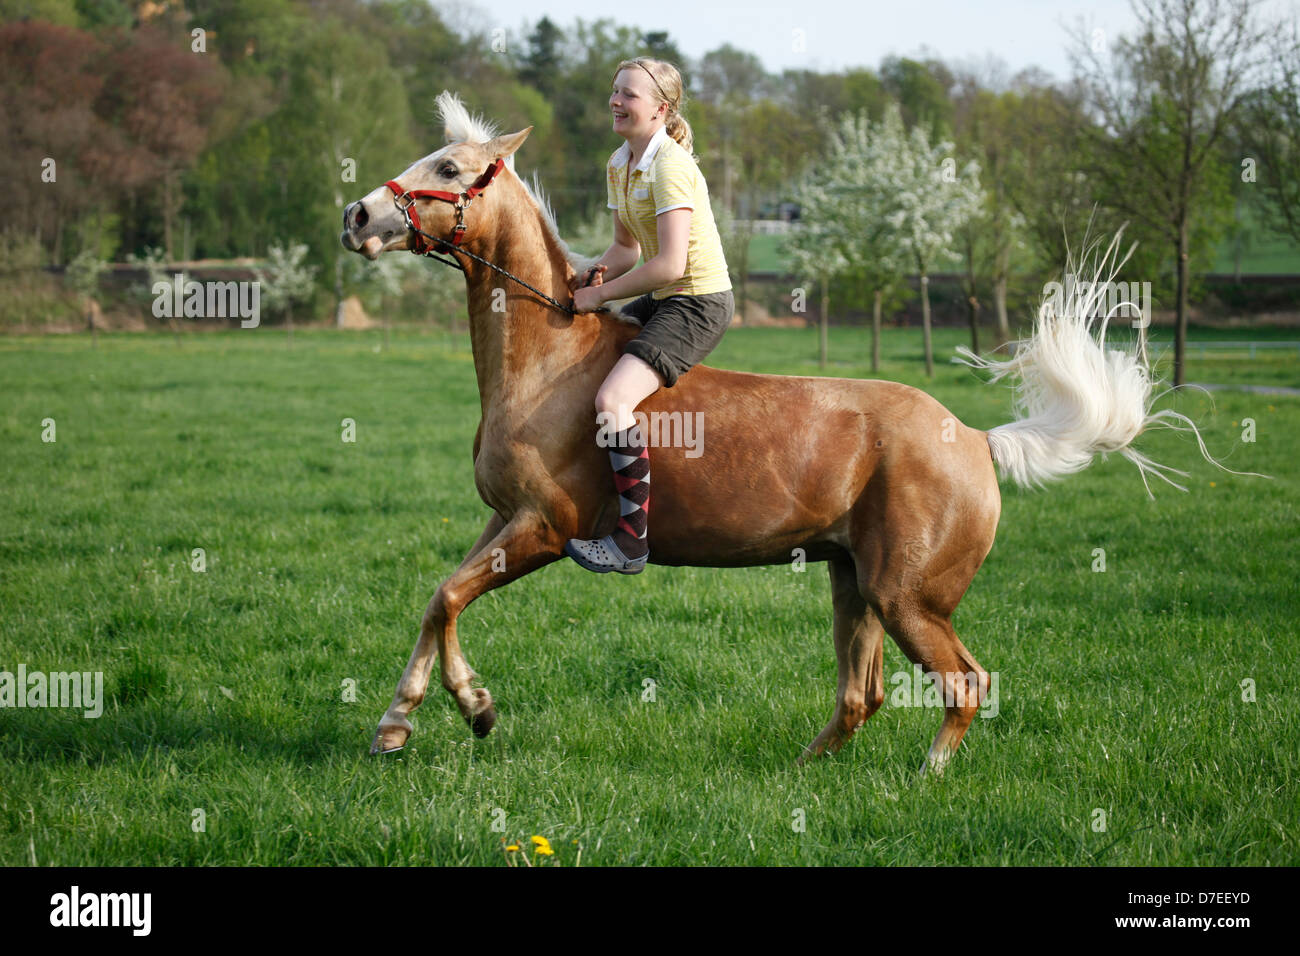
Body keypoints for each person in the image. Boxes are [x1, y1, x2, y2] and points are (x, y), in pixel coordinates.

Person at [564, 56, 734, 575]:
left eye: (629, 95)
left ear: (661, 109)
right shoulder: (620, 162)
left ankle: (631, 541)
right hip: (663, 296)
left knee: (613, 397)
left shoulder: (672, 167)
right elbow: (626, 249)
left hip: (698, 302)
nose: (616, 101)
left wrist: (602, 296)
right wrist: (589, 273)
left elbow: (669, 265)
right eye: (614, 91)